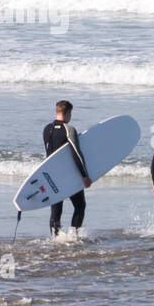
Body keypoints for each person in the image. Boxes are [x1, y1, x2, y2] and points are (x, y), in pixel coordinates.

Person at [42, 100, 92, 236]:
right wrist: (84, 175)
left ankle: (55, 238)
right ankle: (73, 235)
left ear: (56, 112)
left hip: (52, 176)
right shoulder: (69, 129)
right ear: (69, 113)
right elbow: (76, 153)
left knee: (56, 210)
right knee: (80, 206)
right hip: (69, 175)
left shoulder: (47, 129)